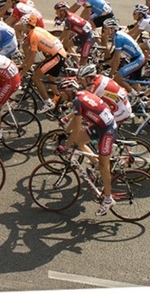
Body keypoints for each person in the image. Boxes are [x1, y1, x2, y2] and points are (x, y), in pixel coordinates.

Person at [55, 78, 117, 216]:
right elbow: (74, 124)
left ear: (69, 91)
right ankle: (95, 166)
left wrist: (65, 146)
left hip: (107, 129)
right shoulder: (81, 94)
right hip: (100, 124)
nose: (61, 95)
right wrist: (65, 134)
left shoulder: (77, 102)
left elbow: (76, 128)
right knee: (78, 142)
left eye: (62, 92)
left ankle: (108, 199)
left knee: (103, 166)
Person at [19, 15, 68, 113]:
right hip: (58, 54)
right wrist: (22, 65)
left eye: (23, 25)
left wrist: (22, 73)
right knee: (50, 80)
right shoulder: (35, 30)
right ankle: (60, 99)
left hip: (56, 56)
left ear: (28, 27)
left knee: (36, 78)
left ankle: (48, 103)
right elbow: (25, 47)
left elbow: (31, 59)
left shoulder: (33, 36)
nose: (21, 27)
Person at [102, 18, 145, 94]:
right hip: (137, 58)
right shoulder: (117, 35)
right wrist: (109, 65)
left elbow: (117, 60)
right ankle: (142, 98)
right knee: (135, 84)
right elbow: (115, 56)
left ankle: (135, 96)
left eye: (105, 28)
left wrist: (111, 74)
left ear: (112, 29)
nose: (103, 30)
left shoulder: (118, 38)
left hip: (137, 59)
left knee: (117, 78)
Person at [54, 1, 96, 67]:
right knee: (68, 46)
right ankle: (77, 60)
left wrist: (58, 45)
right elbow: (65, 32)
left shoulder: (68, 20)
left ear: (62, 11)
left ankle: (81, 68)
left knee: (83, 62)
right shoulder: (69, 15)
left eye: (57, 11)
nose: (56, 13)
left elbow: (65, 37)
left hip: (88, 38)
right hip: (83, 34)